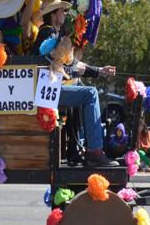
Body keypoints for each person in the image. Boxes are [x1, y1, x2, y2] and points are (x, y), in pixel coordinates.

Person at [49, 39, 119, 167]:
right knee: (90, 93)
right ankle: (94, 150)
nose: (65, 17)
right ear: (53, 16)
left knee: (86, 91)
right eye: (64, 16)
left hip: (57, 88)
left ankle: (83, 148)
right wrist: (75, 72)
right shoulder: (48, 35)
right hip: (49, 88)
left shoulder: (62, 37)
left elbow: (75, 64)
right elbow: (55, 68)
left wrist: (100, 70)